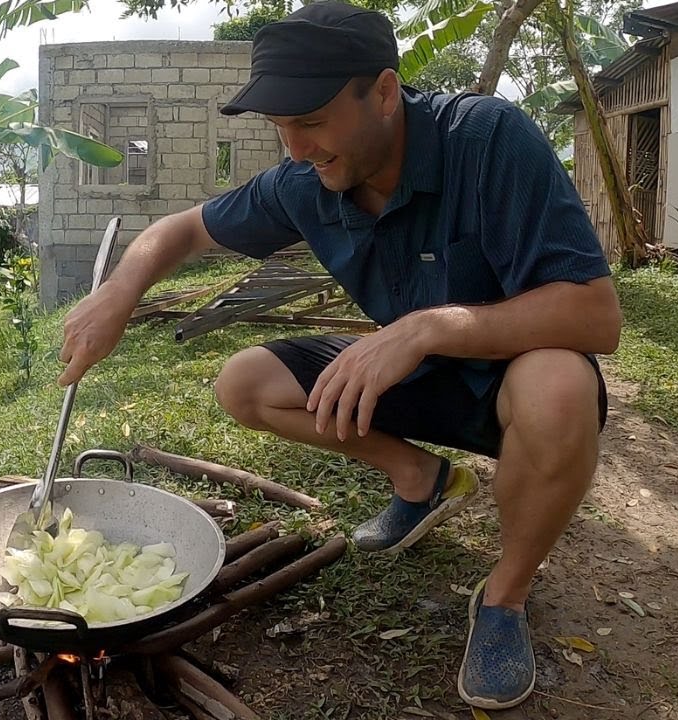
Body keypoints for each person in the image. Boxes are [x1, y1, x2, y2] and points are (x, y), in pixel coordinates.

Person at [56, 0, 621, 710]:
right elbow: (179, 230)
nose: (295, 149)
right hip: (413, 370)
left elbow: (595, 315)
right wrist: (121, 291)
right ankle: (420, 479)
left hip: (511, 378)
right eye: (280, 127)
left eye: (313, 122)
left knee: (561, 386)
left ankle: (504, 599)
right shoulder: (304, 184)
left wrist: (424, 329)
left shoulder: (485, 138)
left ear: (383, 92)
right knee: (245, 383)